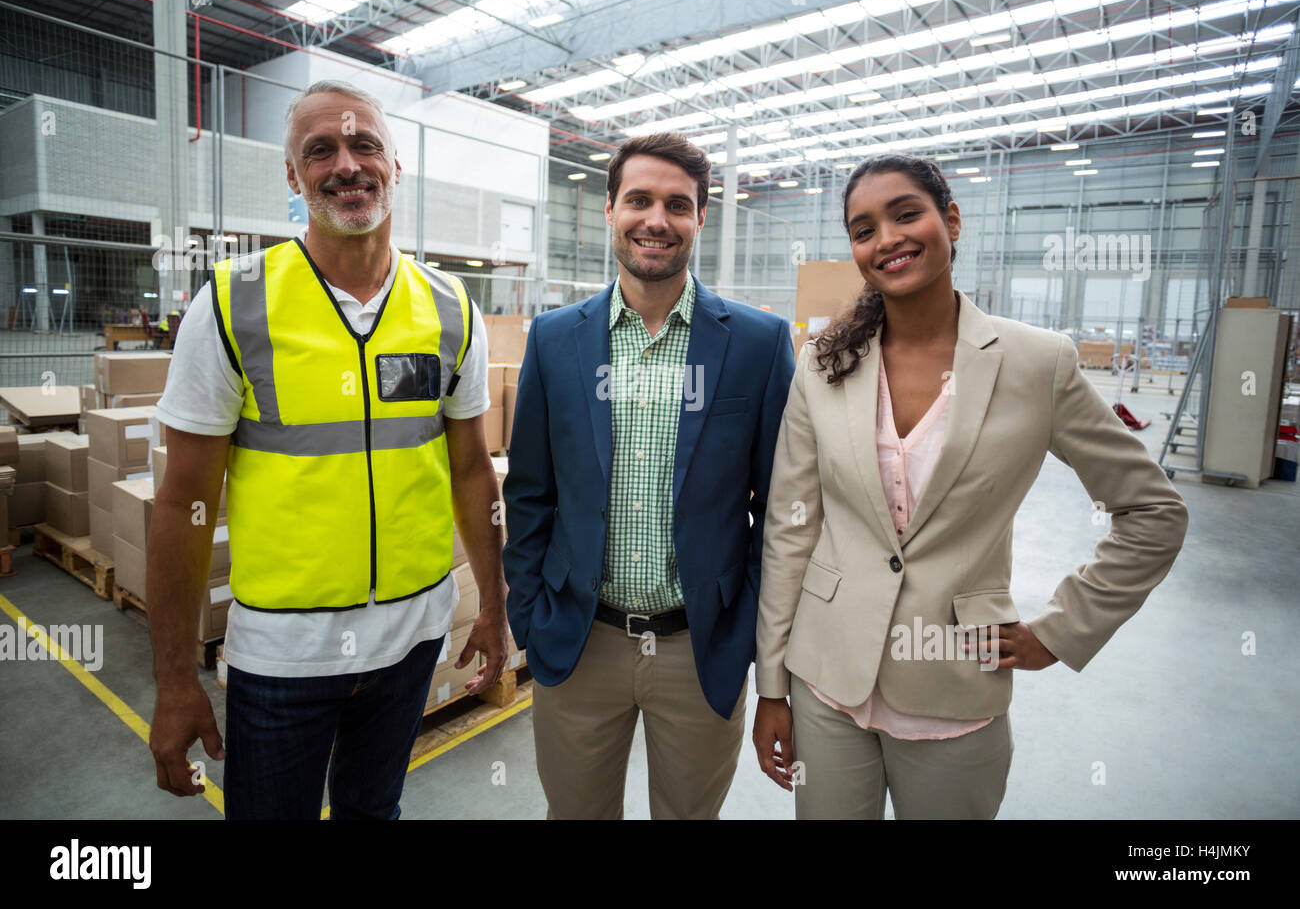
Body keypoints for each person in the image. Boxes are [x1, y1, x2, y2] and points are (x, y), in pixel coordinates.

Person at [752, 153, 1188, 819]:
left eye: (906, 214)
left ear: (950, 220)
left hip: (954, 683)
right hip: (826, 680)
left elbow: (1152, 510)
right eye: (863, 229)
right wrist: (773, 686)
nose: (888, 239)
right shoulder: (825, 364)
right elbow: (791, 525)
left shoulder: (1035, 362)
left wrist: (1062, 629)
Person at [146, 79, 508, 819]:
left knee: (374, 813)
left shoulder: (448, 307)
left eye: (365, 144)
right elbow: (182, 502)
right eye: (321, 150)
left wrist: (494, 609)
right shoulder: (232, 303)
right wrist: (176, 681)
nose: (346, 164)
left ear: (395, 166)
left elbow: (472, 472)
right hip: (283, 660)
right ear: (293, 175)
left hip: (412, 643)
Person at [503, 133, 795, 819]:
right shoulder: (554, 339)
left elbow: (780, 509)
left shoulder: (756, 343)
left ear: (699, 218)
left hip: (699, 651)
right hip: (580, 642)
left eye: (677, 204)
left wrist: (743, 627)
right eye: (639, 200)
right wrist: (530, 617)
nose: (656, 219)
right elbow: (530, 493)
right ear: (609, 209)